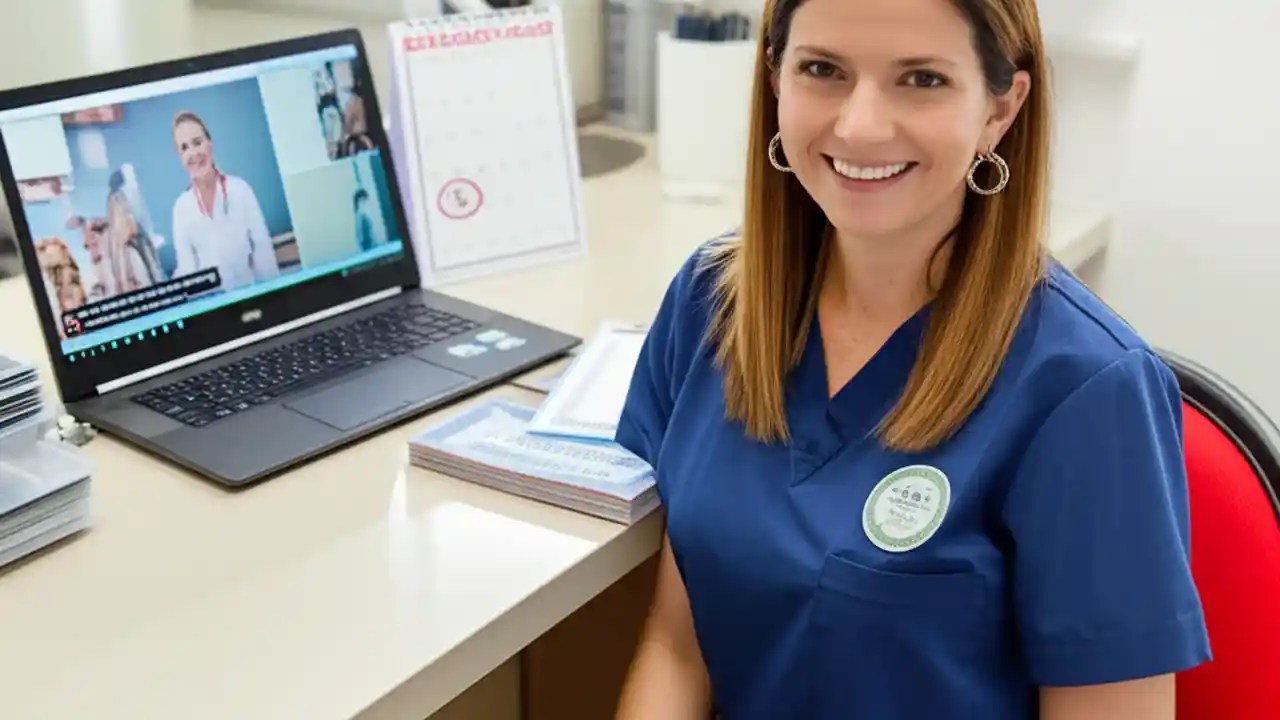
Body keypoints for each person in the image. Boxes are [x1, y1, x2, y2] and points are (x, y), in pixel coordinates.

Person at [612, 0, 1212, 719]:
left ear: (1000, 109)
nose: (860, 125)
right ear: (776, 79)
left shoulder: (1084, 391)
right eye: (822, 69)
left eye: (921, 79)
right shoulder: (712, 306)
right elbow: (679, 648)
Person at [170, 110, 280, 292]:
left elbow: (263, 250)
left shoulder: (240, 189)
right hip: (214, 310)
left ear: (210, 144)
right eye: (184, 147)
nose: (193, 153)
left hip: (251, 296)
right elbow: (188, 270)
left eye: (198, 142)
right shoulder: (181, 209)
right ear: (180, 157)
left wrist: (275, 296)